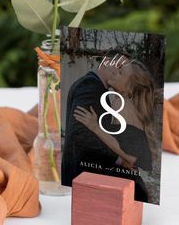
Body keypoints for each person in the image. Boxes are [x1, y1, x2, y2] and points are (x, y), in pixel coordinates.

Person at [74, 61, 154, 202]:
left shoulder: (122, 107)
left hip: (129, 188)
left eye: (121, 72)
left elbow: (131, 158)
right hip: (129, 184)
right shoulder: (122, 103)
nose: (115, 72)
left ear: (130, 87)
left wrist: (94, 127)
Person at [61, 53, 135, 186]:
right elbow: (80, 134)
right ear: (106, 61)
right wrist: (118, 160)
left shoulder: (96, 87)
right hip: (80, 175)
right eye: (118, 66)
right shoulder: (90, 86)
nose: (118, 72)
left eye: (122, 71)